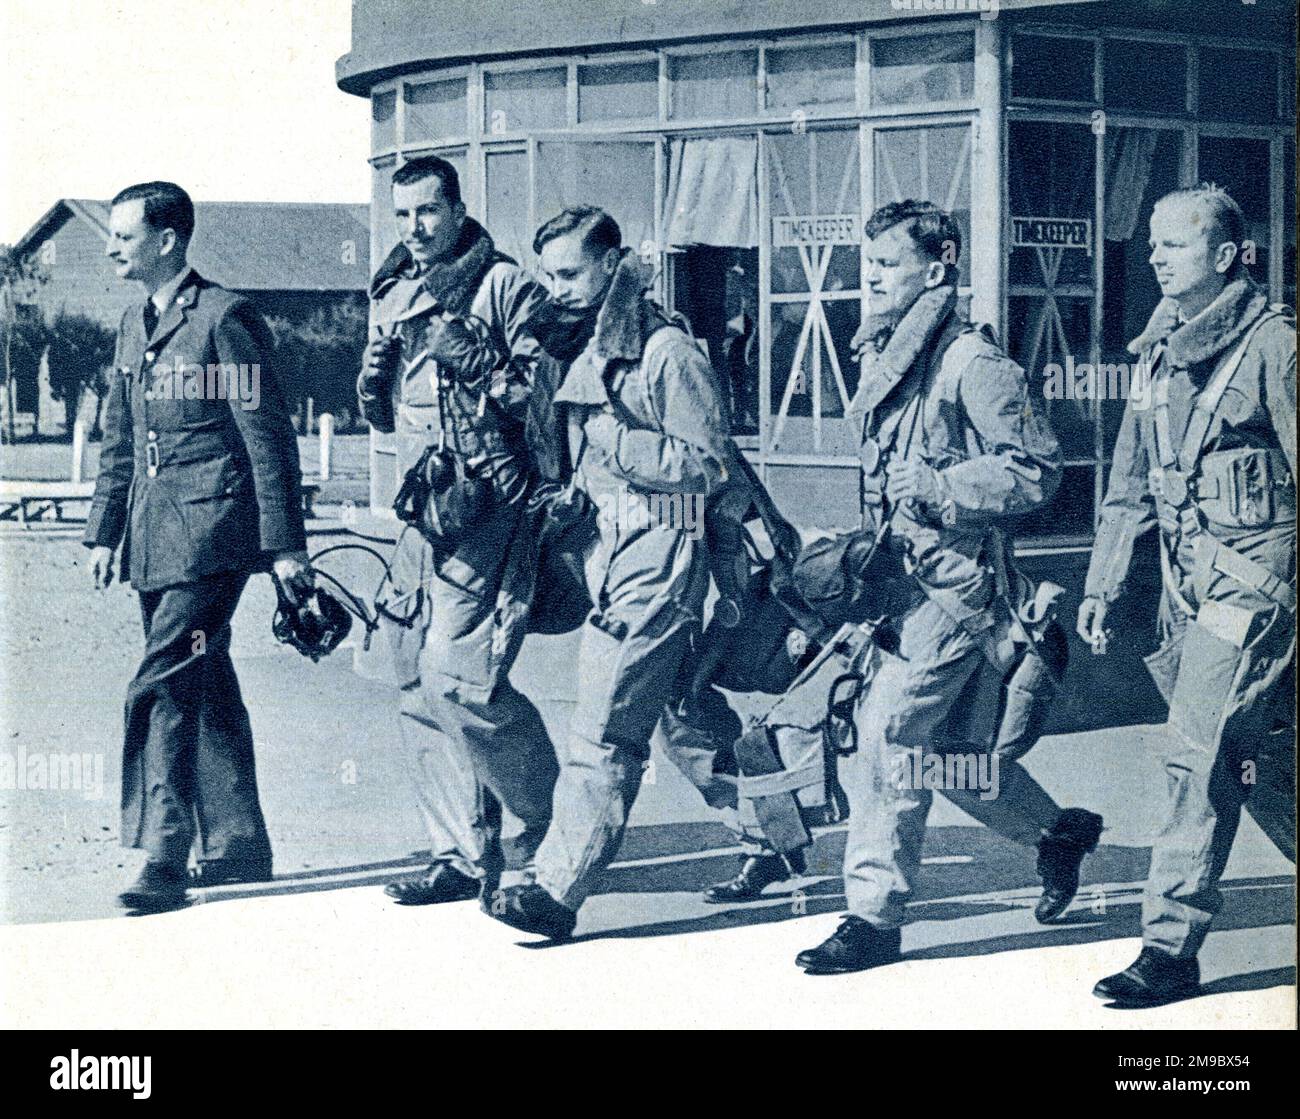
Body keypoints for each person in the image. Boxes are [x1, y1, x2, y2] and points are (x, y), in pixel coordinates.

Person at [795, 200, 1104, 975]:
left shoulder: (972, 361)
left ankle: (872, 915)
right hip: (899, 586)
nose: (871, 278)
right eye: (868, 264)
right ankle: (1056, 832)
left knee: (888, 735)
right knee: (945, 755)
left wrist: (943, 486)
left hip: (959, 590)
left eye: (888, 264)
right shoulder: (890, 352)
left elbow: (1040, 469)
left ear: (938, 269)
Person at [491, 207, 736, 939]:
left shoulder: (665, 351)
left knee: (602, 725)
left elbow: (708, 467)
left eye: (570, 273)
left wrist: (612, 438)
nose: (557, 289)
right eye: (547, 276)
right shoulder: (584, 343)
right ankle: (775, 831)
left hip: (662, 554)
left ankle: (556, 889)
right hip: (610, 554)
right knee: (681, 717)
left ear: (612, 264)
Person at [1080, 184, 1296, 1007]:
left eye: (1175, 243)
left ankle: (1168, 946)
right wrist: (1103, 582)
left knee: (1197, 754)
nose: (1155, 256)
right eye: (1153, 243)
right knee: (1263, 758)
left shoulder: (1275, 348)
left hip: (1255, 587)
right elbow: (1129, 481)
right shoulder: (1156, 355)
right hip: (1186, 591)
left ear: (1227, 255)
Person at [85, 181, 312, 911]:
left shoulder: (223, 316)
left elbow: (266, 436)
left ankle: (164, 854)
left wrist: (285, 546)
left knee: (163, 684)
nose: (111, 247)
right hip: (154, 533)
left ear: (168, 240)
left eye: (124, 235)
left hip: (215, 535)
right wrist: (105, 530)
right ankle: (239, 845)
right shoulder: (134, 322)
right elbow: (121, 436)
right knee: (204, 676)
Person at [357, 155, 559, 907]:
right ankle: (461, 852)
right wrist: (371, 383)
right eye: (403, 215)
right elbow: (388, 417)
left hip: (489, 505)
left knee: (459, 675)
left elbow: (545, 398)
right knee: (412, 678)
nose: (414, 229)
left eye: (428, 212)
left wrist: (478, 361)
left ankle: (545, 820)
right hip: (423, 507)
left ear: (459, 210)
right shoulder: (389, 289)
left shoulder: (504, 285)